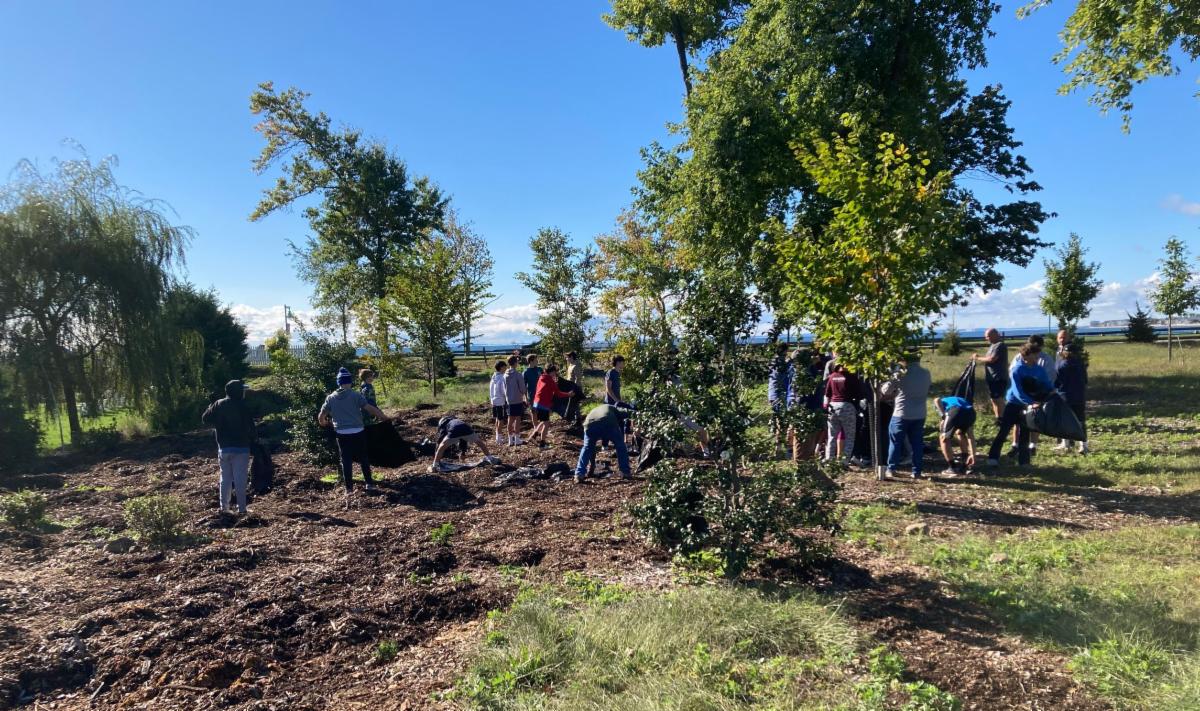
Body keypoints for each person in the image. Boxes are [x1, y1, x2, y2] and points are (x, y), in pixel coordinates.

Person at [318, 368, 391, 495]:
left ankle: (349, 489)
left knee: (346, 460)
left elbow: (321, 416)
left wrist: (324, 423)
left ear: (338, 382)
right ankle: (369, 484)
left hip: (341, 433)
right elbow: (370, 408)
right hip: (358, 431)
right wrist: (384, 418)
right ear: (350, 382)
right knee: (363, 457)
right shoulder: (356, 395)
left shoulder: (330, 398)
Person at [987, 344, 1055, 467]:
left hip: (1029, 405)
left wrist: (1052, 392)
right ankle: (993, 458)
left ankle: (1024, 462)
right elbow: (1018, 391)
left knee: (1025, 433)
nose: (1037, 357)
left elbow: (1047, 384)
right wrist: (1030, 402)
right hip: (1014, 404)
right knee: (1004, 430)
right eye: (1035, 354)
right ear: (1027, 356)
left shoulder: (1039, 369)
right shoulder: (1017, 369)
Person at [201, 379, 257, 515]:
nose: (244, 392)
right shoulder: (243, 406)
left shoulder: (219, 404)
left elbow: (205, 418)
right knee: (240, 479)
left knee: (225, 478)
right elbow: (251, 427)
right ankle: (242, 509)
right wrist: (254, 442)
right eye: (242, 390)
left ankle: (224, 508)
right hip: (241, 447)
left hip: (224, 448)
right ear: (239, 392)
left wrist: (211, 404)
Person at [879, 353, 932, 479]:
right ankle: (917, 471)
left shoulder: (900, 374)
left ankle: (891, 468)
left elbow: (886, 390)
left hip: (901, 413)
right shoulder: (926, 373)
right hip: (919, 413)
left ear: (904, 361)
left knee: (895, 442)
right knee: (917, 444)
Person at [1009, 335, 1055, 455]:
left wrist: (1045, 391)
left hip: (1037, 394)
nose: (1035, 355)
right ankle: (1015, 444)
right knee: (1018, 422)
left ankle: (1032, 446)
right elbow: (1013, 373)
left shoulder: (1046, 359)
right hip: (1021, 396)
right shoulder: (1019, 358)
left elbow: (1049, 377)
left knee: (1035, 420)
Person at [574, 404, 631, 483]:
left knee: (587, 448)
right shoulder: (612, 407)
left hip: (589, 424)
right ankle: (625, 472)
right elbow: (627, 413)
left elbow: (591, 449)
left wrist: (592, 467)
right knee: (620, 445)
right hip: (608, 422)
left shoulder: (594, 410)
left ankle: (579, 474)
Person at [429, 416, 500, 472]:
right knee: (480, 443)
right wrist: (463, 453)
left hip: (454, 430)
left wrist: (437, 451)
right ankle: (490, 458)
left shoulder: (444, 425)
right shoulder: (456, 421)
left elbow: (439, 441)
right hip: (467, 428)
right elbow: (463, 439)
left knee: (442, 446)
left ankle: (435, 465)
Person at [823, 363, 862, 464]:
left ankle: (829, 460)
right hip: (847, 406)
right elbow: (859, 394)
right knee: (850, 437)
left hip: (833, 406)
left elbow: (827, 394)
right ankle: (844, 462)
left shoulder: (832, 376)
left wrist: (825, 407)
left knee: (831, 436)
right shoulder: (852, 377)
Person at [1054, 343, 1089, 453]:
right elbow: (1085, 380)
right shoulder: (1080, 364)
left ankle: (1066, 444)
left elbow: (1056, 381)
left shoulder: (1060, 364)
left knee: (1065, 421)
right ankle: (1083, 445)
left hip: (1064, 396)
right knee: (1080, 421)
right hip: (1079, 396)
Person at [530, 364, 573, 448]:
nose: (555, 374)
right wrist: (568, 394)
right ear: (552, 371)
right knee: (546, 423)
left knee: (543, 421)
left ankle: (533, 436)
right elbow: (558, 394)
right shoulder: (550, 380)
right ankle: (542, 443)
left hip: (537, 402)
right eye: (555, 372)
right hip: (543, 403)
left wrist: (554, 383)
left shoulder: (542, 377)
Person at [934, 395, 977, 475]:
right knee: (961, 433)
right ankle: (965, 465)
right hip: (970, 412)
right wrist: (973, 454)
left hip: (955, 411)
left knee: (943, 438)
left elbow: (936, 400)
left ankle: (952, 467)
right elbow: (970, 436)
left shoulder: (944, 401)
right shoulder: (960, 400)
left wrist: (943, 416)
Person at [973, 328, 1008, 418]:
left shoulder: (1000, 345)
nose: (986, 338)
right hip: (991, 377)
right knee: (994, 399)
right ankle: (998, 418)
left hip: (998, 377)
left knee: (998, 399)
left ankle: (1005, 419)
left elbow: (991, 359)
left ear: (995, 335)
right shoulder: (993, 346)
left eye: (988, 336)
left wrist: (977, 358)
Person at [767, 342, 794, 457]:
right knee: (784, 421)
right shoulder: (783, 362)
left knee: (777, 420)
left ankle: (778, 448)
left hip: (772, 394)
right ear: (784, 351)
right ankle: (785, 449)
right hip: (781, 394)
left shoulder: (773, 361)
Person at [503, 354, 528, 446]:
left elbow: (504, 387)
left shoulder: (505, 375)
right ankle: (517, 439)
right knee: (517, 419)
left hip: (509, 400)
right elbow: (523, 389)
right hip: (517, 399)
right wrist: (525, 396)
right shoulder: (518, 375)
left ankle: (510, 440)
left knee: (510, 419)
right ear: (515, 363)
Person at [488, 360, 508, 444]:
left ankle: (497, 436)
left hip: (494, 401)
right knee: (501, 420)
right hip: (500, 401)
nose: (506, 368)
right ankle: (499, 438)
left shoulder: (493, 377)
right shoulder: (502, 377)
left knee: (497, 419)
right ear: (501, 367)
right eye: (505, 366)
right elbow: (503, 390)